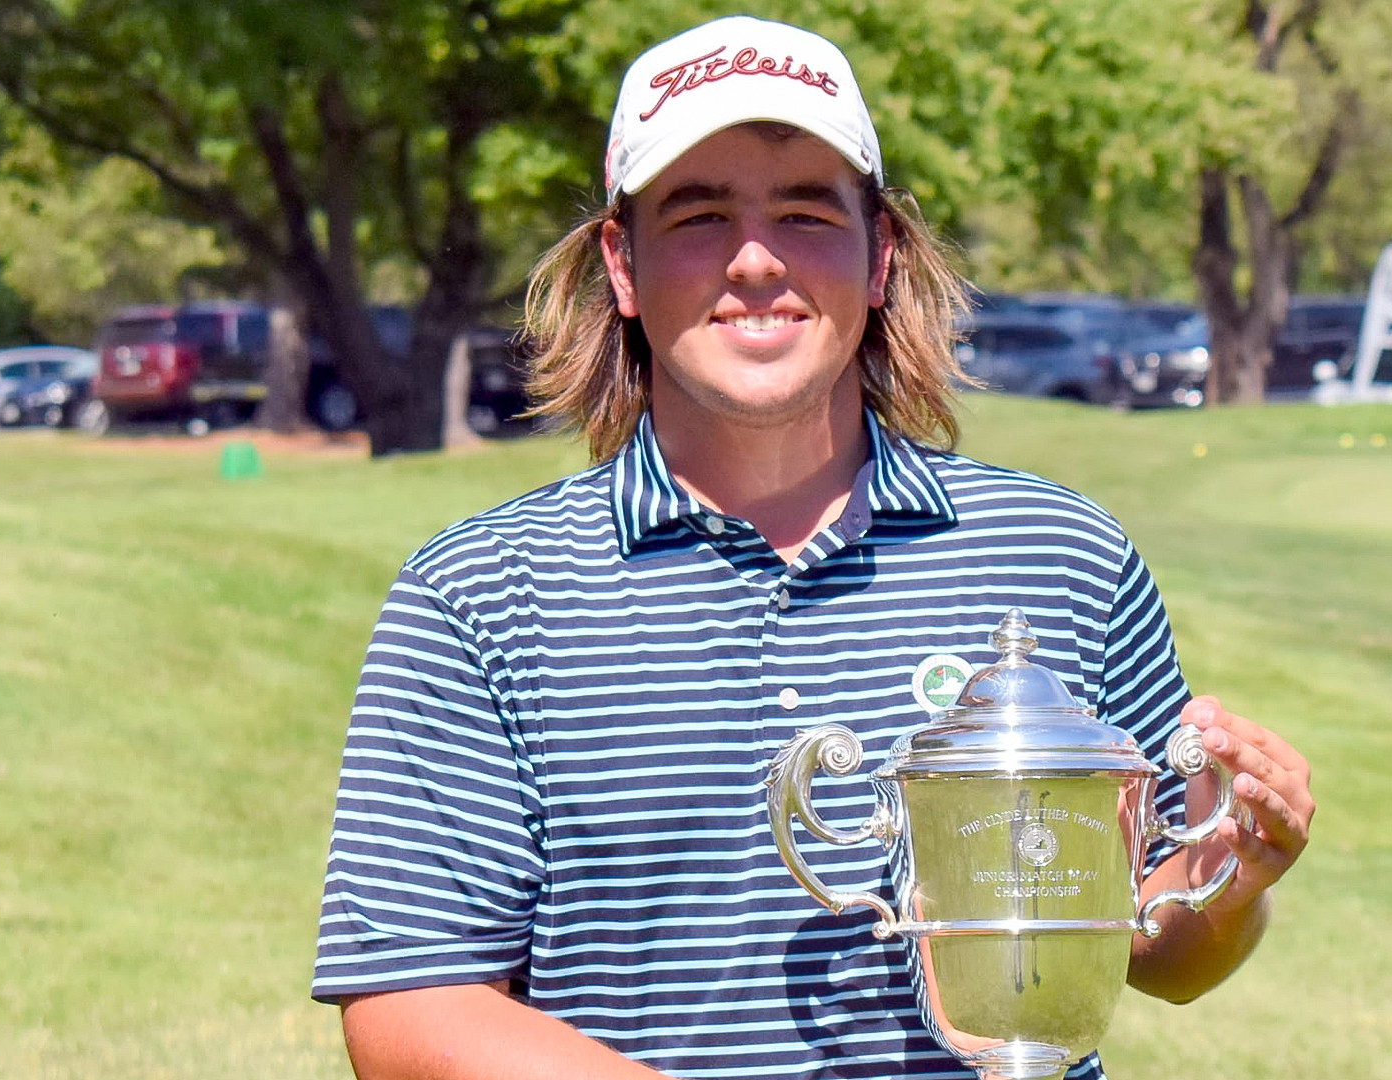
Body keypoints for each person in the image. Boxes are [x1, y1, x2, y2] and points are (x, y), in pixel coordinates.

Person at [312, 14, 1313, 1080]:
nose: (756, 261)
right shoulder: (480, 594)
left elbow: (1162, 954)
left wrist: (1234, 871)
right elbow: (409, 1004)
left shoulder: (1060, 554)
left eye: (804, 212)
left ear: (880, 254)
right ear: (622, 262)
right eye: (698, 215)